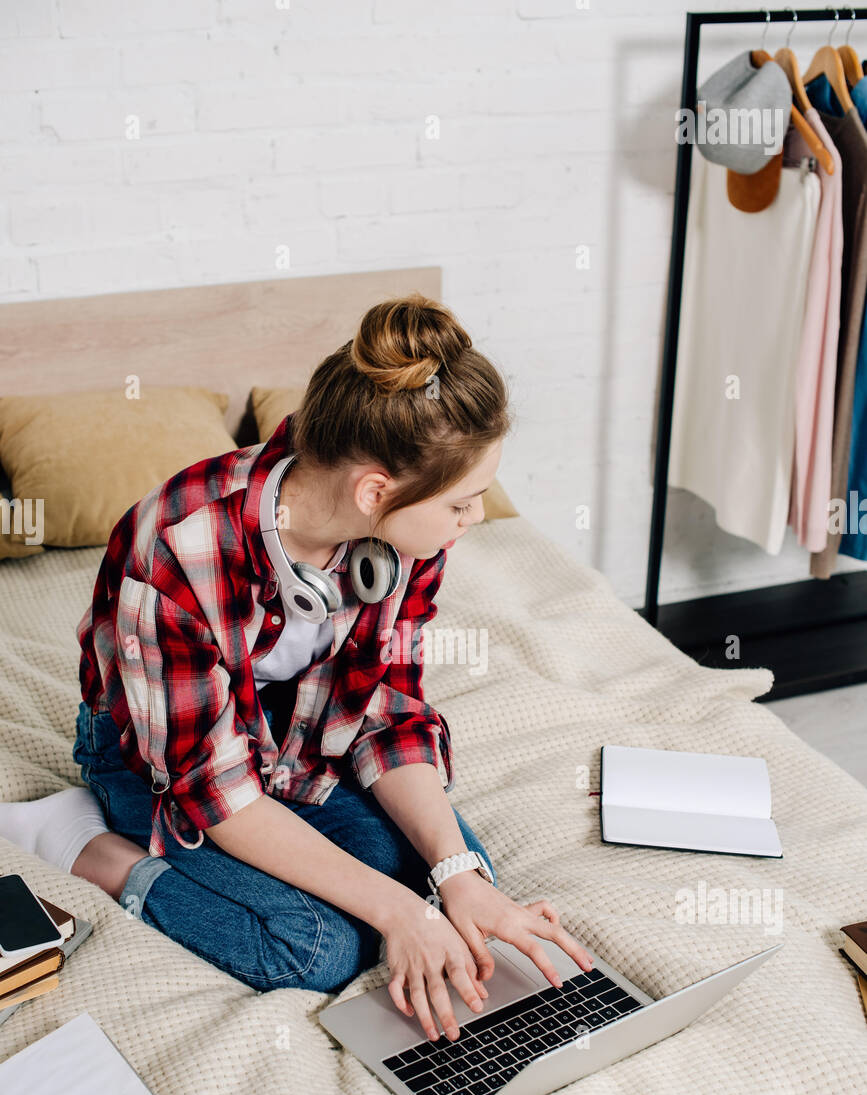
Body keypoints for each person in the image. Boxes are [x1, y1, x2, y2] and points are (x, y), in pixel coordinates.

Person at [0, 293, 592, 1043]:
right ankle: (87, 845)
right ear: (376, 491)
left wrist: (454, 878)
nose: (473, 521)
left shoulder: (406, 544)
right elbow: (214, 791)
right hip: (157, 759)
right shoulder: (178, 548)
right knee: (316, 950)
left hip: (300, 738)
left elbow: (386, 710)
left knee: (452, 883)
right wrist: (400, 912)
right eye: (462, 503)